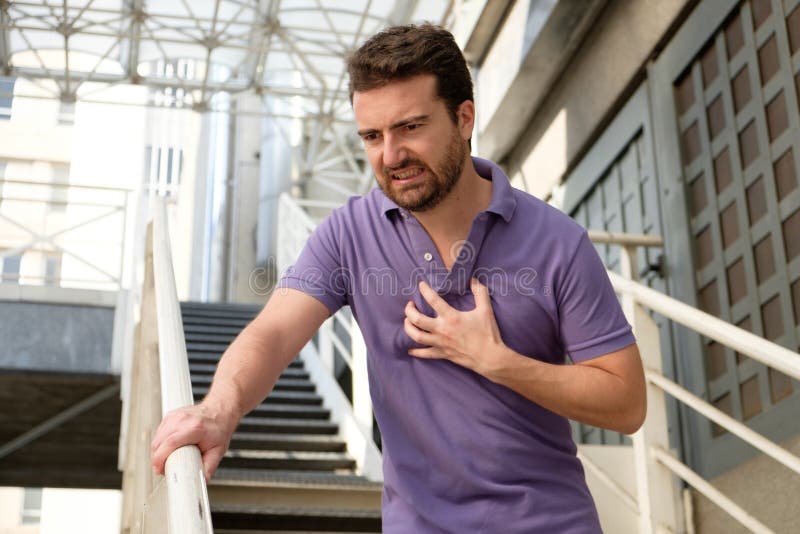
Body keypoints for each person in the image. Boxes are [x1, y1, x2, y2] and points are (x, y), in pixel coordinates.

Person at [151, 23, 646, 533]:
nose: (390, 156)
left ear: (464, 118)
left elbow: (626, 402)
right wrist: (218, 410)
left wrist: (498, 362)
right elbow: (273, 332)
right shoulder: (348, 234)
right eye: (372, 136)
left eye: (410, 127)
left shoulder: (558, 243)